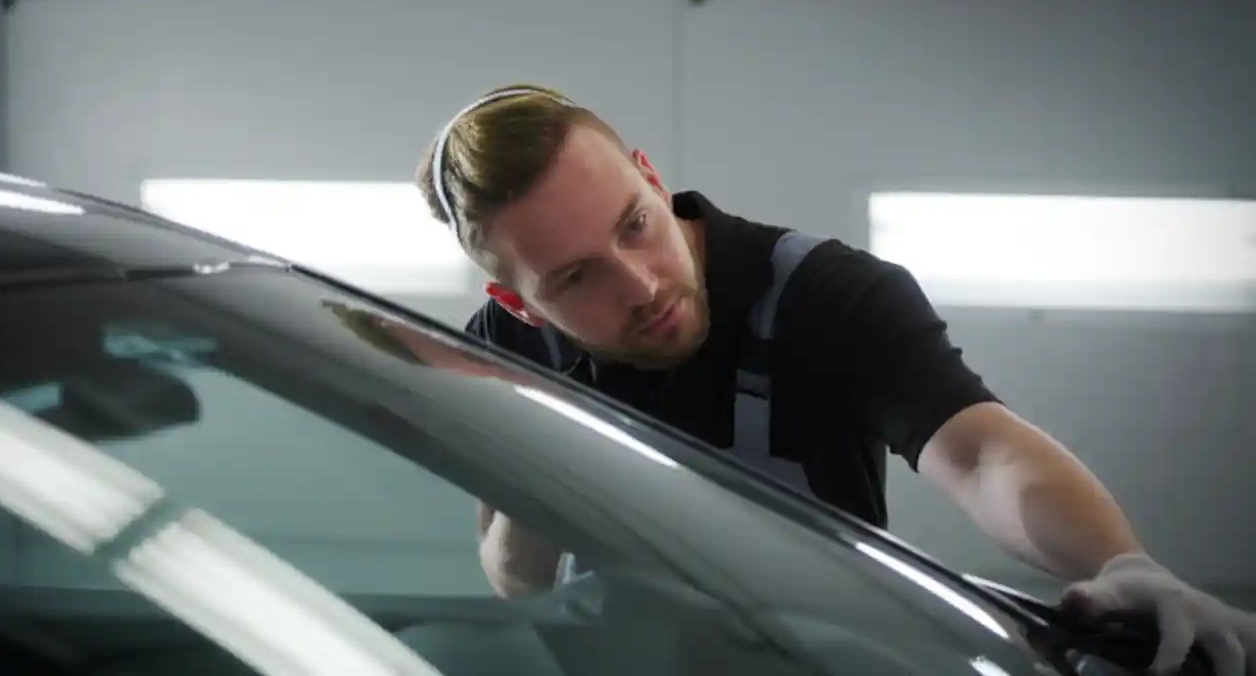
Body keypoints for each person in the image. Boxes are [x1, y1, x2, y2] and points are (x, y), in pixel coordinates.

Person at [414, 83, 1255, 676]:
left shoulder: (827, 295)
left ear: (651, 177)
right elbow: (517, 576)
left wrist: (1121, 561)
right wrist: (543, 431)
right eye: (575, 279)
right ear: (513, 303)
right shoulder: (503, 349)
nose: (641, 284)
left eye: (636, 225)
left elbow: (979, 453)